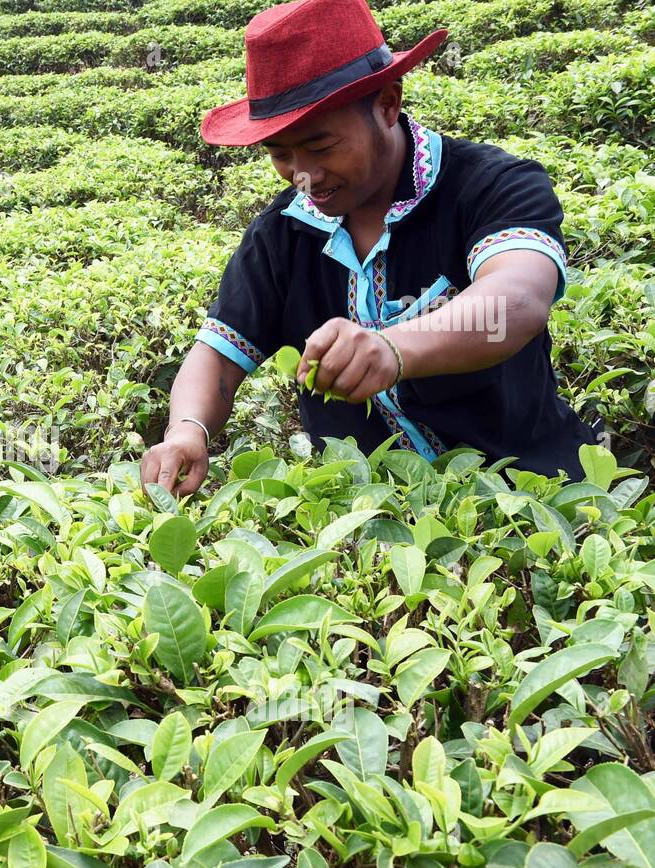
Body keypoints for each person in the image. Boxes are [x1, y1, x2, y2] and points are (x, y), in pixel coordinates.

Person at [140, 0, 598, 497]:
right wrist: (188, 429)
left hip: (537, 497)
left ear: (387, 103)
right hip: (373, 529)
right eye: (280, 154)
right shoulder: (281, 233)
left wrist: (394, 348)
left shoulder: (493, 186)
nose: (304, 175)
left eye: (321, 147)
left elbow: (517, 301)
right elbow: (218, 354)